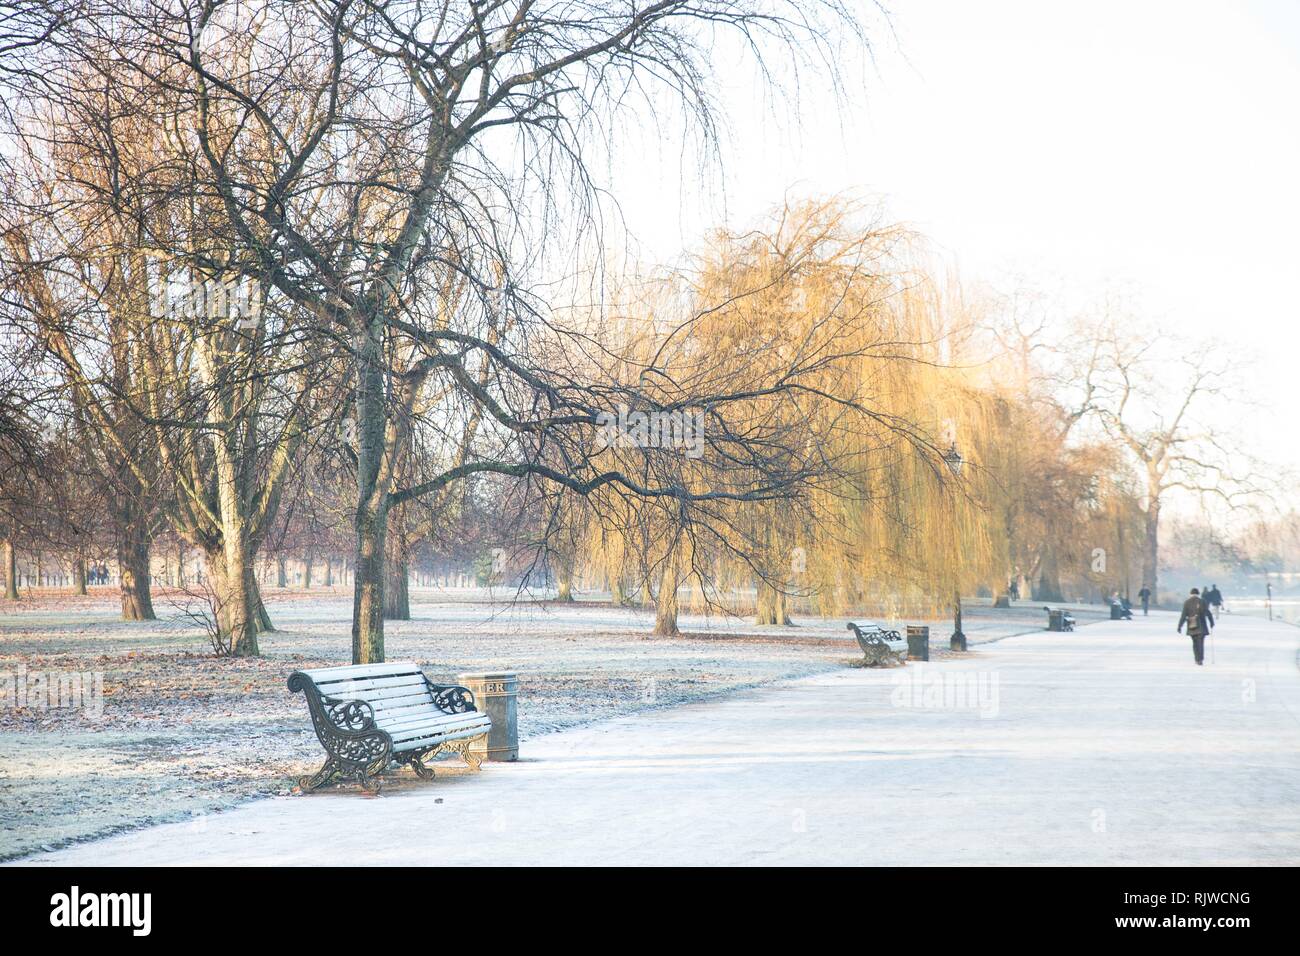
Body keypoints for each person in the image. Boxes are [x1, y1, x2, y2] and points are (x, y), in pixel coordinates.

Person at [1177, 587, 1215, 665]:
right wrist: (1211, 622)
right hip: (1202, 626)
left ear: (1190, 594)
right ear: (1198, 594)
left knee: (1194, 643)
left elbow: (1183, 615)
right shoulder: (1202, 601)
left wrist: (1180, 626)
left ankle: (1197, 659)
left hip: (1192, 626)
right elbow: (1208, 613)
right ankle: (1200, 659)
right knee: (1201, 643)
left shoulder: (1187, 602)